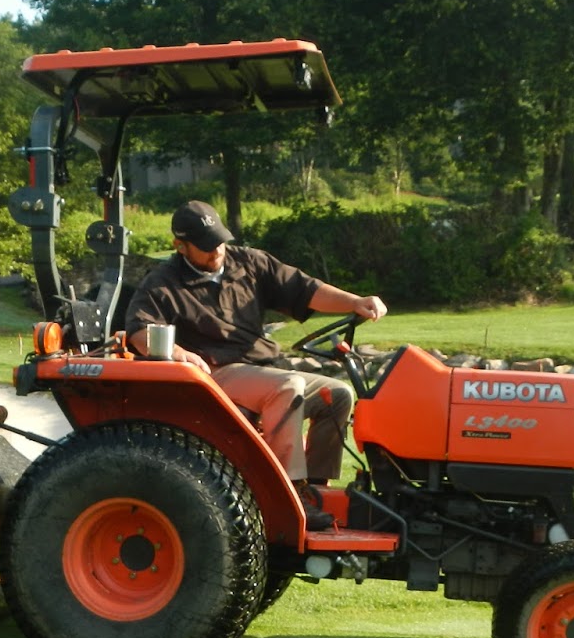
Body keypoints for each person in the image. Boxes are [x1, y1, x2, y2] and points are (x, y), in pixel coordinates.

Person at [124, 201, 387, 530]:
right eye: (205, 246)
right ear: (181, 246)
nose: (216, 250)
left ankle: (317, 488)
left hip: (262, 367)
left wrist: (354, 302)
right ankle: (287, 496)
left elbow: (305, 290)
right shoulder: (163, 282)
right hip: (215, 373)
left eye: (219, 240)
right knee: (287, 386)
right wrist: (180, 354)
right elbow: (138, 331)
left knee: (338, 393)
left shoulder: (250, 263)